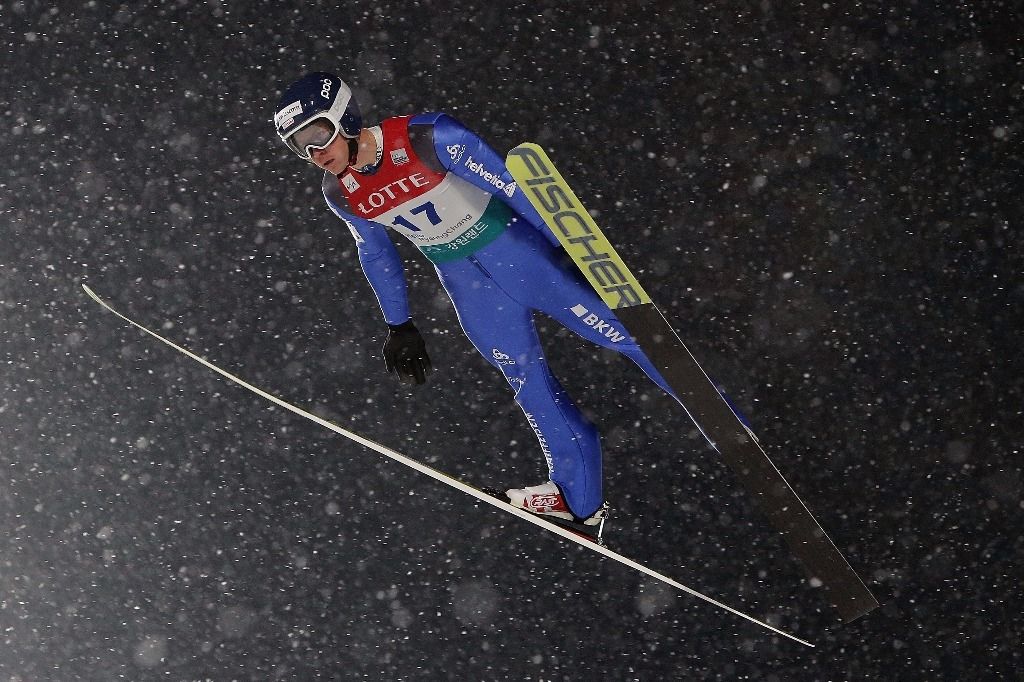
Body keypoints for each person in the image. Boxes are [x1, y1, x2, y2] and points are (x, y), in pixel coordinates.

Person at [273, 71, 686, 533]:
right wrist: (399, 324)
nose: (314, 152)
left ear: (345, 117)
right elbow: (375, 253)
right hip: (471, 291)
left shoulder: (429, 138)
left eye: (318, 133)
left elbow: (512, 186)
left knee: (629, 338)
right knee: (528, 384)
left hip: (525, 261)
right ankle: (578, 498)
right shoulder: (340, 193)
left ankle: (728, 422)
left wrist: (568, 246)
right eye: (299, 145)